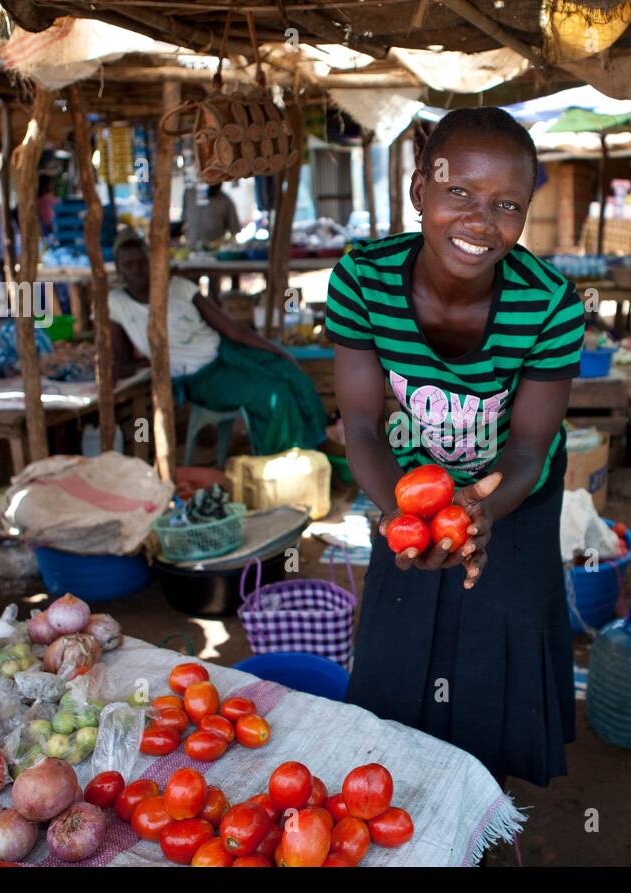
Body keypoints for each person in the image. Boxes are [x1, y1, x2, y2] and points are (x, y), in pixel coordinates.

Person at [325, 107, 585, 787]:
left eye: (507, 204)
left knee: (499, 645)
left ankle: (482, 808)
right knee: (398, 631)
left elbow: (530, 445)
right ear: (420, 193)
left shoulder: (551, 304)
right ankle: (397, 793)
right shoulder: (362, 280)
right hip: (405, 483)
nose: (480, 221)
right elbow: (360, 426)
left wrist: (484, 509)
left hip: (514, 494)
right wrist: (397, 516)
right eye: (458, 193)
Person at [107, 231, 326, 455]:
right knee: (273, 393)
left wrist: (278, 351)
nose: (137, 269)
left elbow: (231, 329)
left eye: (142, 262)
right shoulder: (116, 302)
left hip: (227, 353)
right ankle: (281, 457)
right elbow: (121, 357)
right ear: (119, 269)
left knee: (293, 375)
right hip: (199, 378)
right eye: (128, 264)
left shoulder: (179, 287)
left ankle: (316, 447)